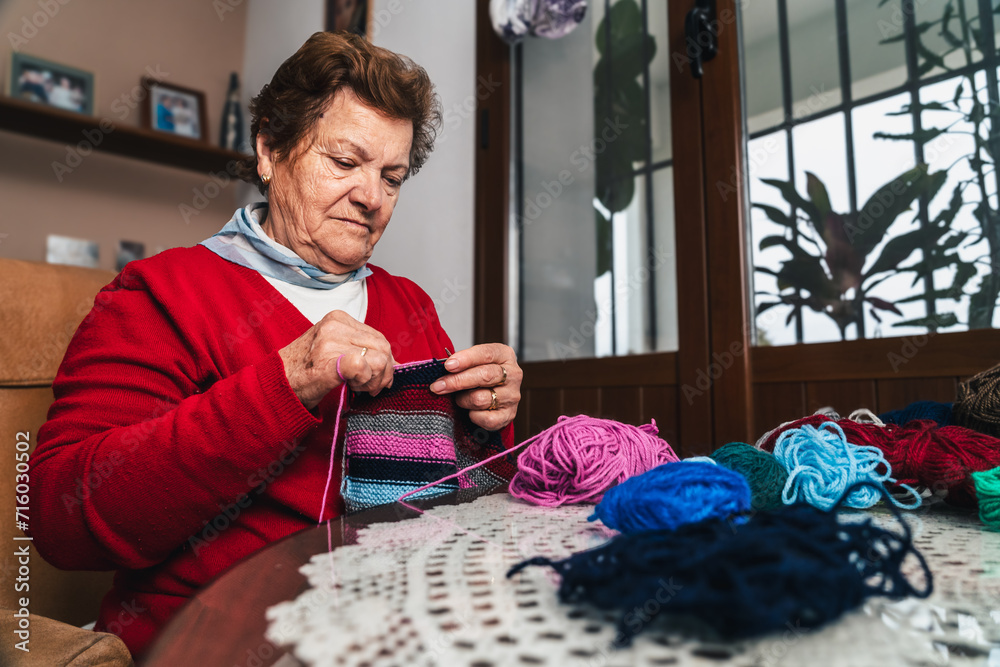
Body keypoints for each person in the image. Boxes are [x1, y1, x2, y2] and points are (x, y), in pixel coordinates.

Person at [29, 31, 523, 659]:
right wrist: (288, 381)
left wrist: (489, 422)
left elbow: (463, 497)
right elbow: (59, 519)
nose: (371, 198)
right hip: (215, 640)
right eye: (344, 163)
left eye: (391, 177)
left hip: (395, 629)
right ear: (269, 148)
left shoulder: (412, 304)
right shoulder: (161, 293)